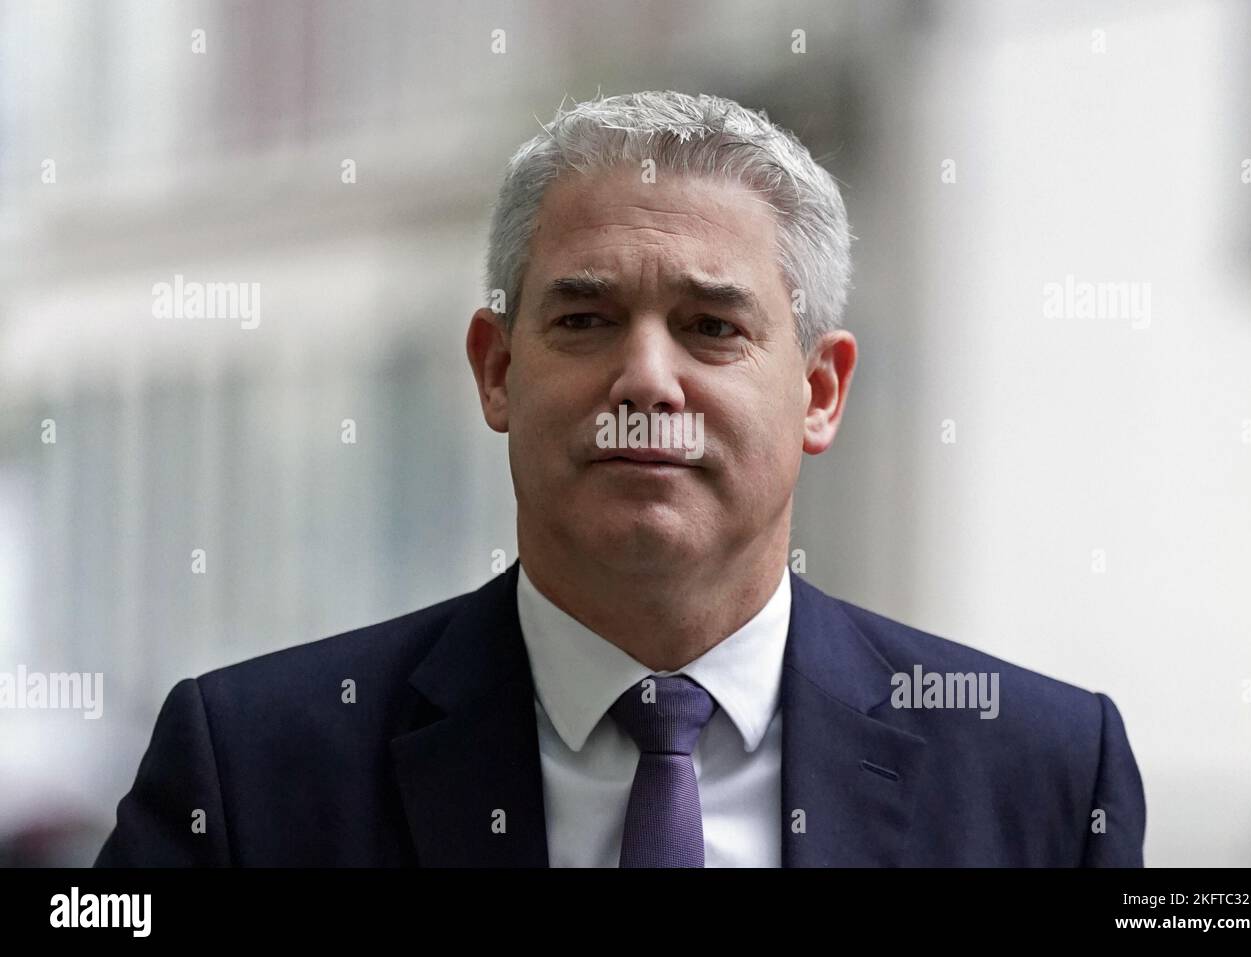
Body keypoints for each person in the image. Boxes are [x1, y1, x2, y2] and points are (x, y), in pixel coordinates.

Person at [95, 90, 1144, 867]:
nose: (646, 375)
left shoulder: (1041, 775)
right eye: (586, 319)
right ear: (497, 370)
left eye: (712, 327)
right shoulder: (252, 770)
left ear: (820, 392)